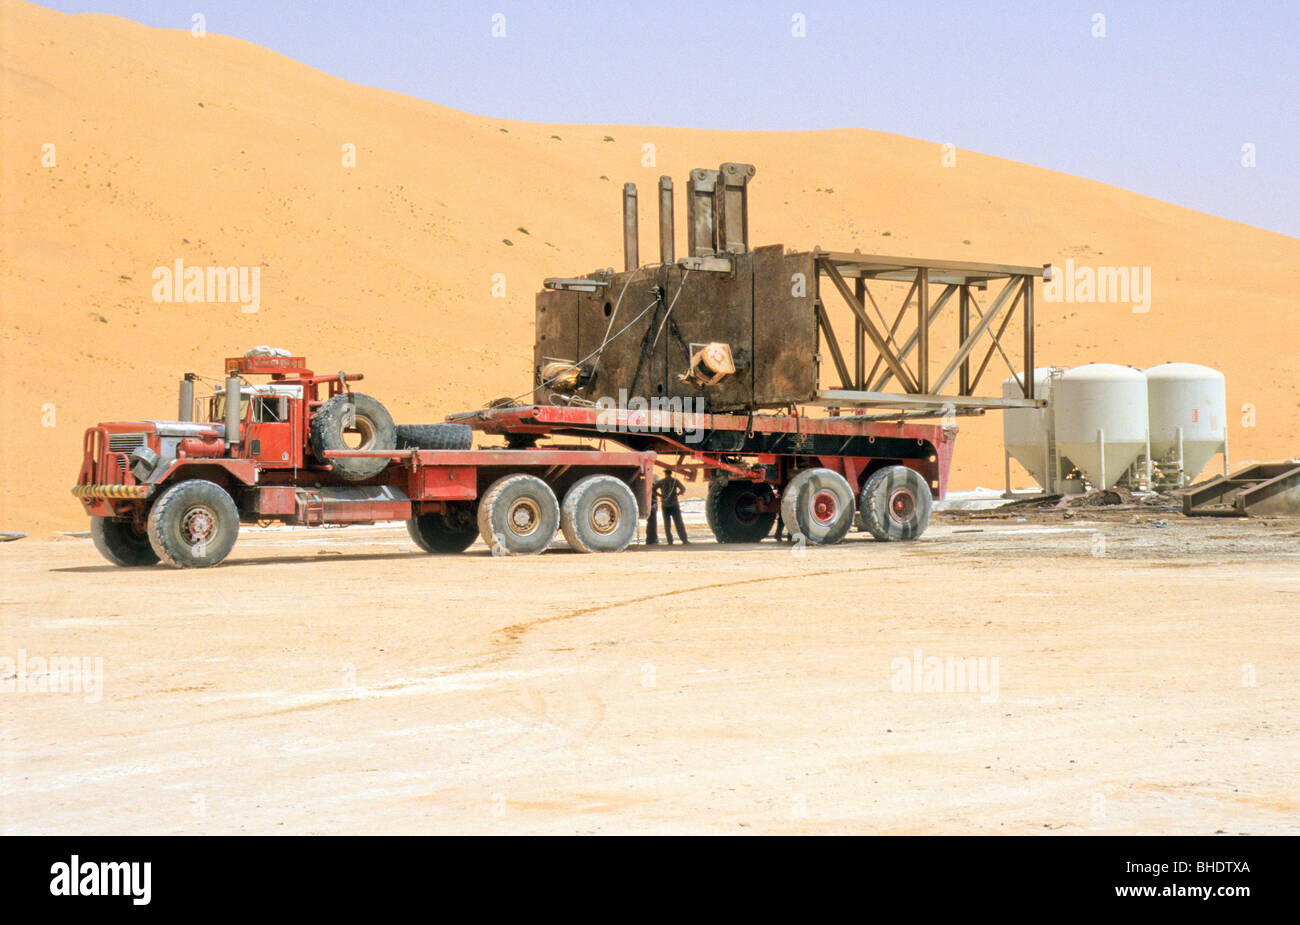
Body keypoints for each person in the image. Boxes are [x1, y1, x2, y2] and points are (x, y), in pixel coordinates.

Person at [655, 472, 688, 544]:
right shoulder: (675, 481)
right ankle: (684, 539)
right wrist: (677, 494)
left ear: (665, 474)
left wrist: (660, 495)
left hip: (665, 505)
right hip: (674, 504)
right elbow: (683, 489)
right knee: (679, 523)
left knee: (667, 524)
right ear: (671, 473)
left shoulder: (661, 481)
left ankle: (670, 541)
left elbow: (653, 489)